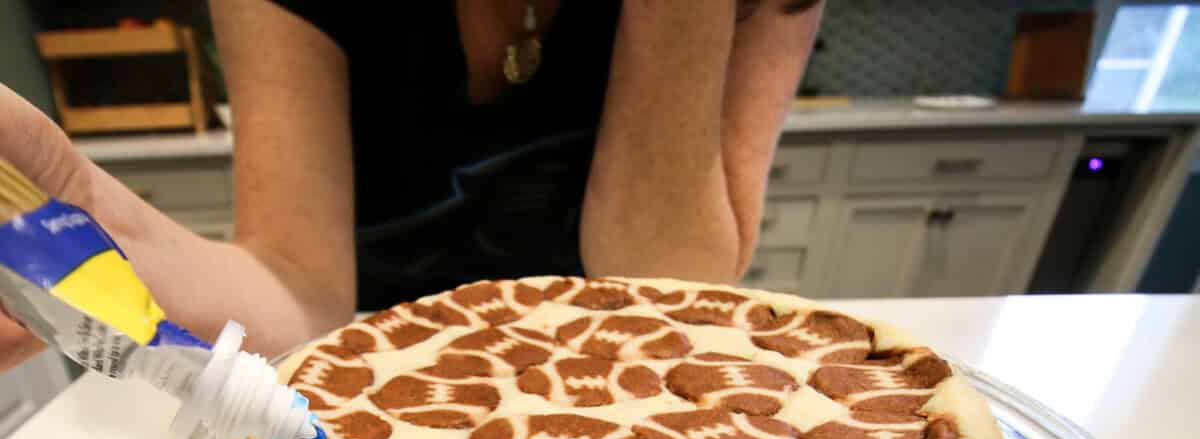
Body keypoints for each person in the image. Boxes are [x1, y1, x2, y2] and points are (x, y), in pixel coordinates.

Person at [0, 0, 821, 371]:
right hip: (376, 401)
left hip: (623, 397)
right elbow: (296, 288)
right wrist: (73, 208)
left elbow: (664, 292)